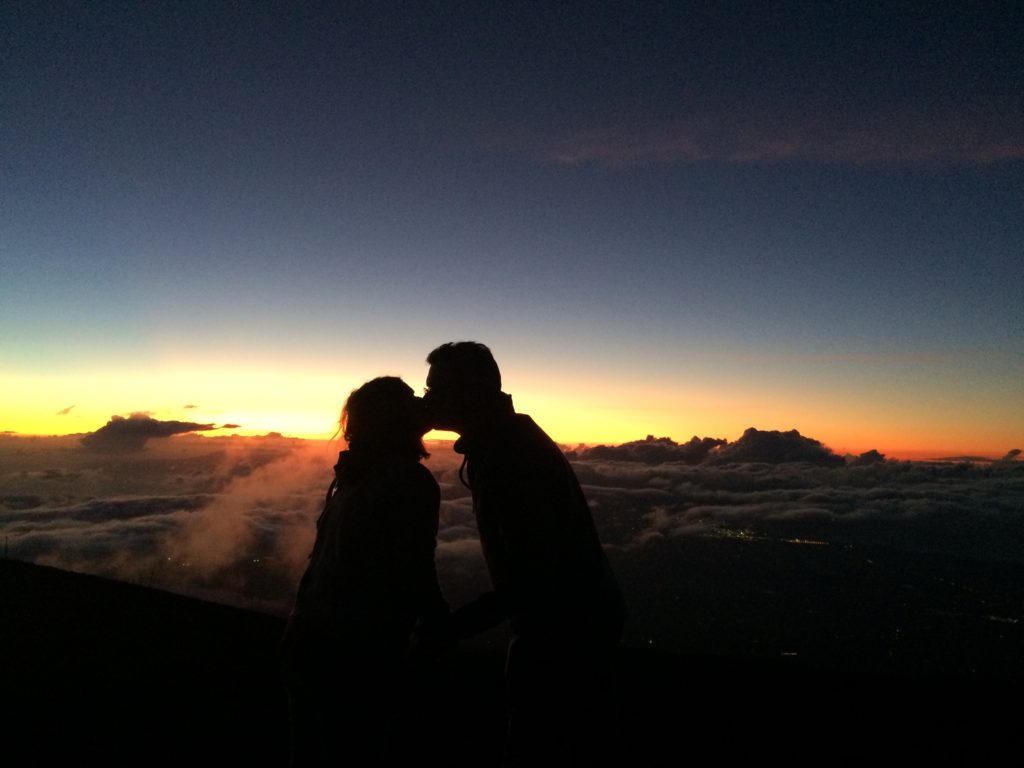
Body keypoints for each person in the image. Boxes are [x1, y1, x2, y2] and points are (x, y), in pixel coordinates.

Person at [423, 341, 626, 765]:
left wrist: (453, 629)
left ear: (470, 392)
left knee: (540, 742)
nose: (427, 400)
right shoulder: (504, 438)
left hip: (563, 630)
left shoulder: (505, 455)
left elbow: (534, 574)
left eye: (436, 390)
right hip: (577, 617)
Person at [281, 376, 448, 766]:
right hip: (358, 656)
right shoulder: (407, 480)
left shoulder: (353, 476)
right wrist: (441, 626)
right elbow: (415, 570)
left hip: (309, 643)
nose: (422, 401)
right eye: (409, 399)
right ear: (393, 417)